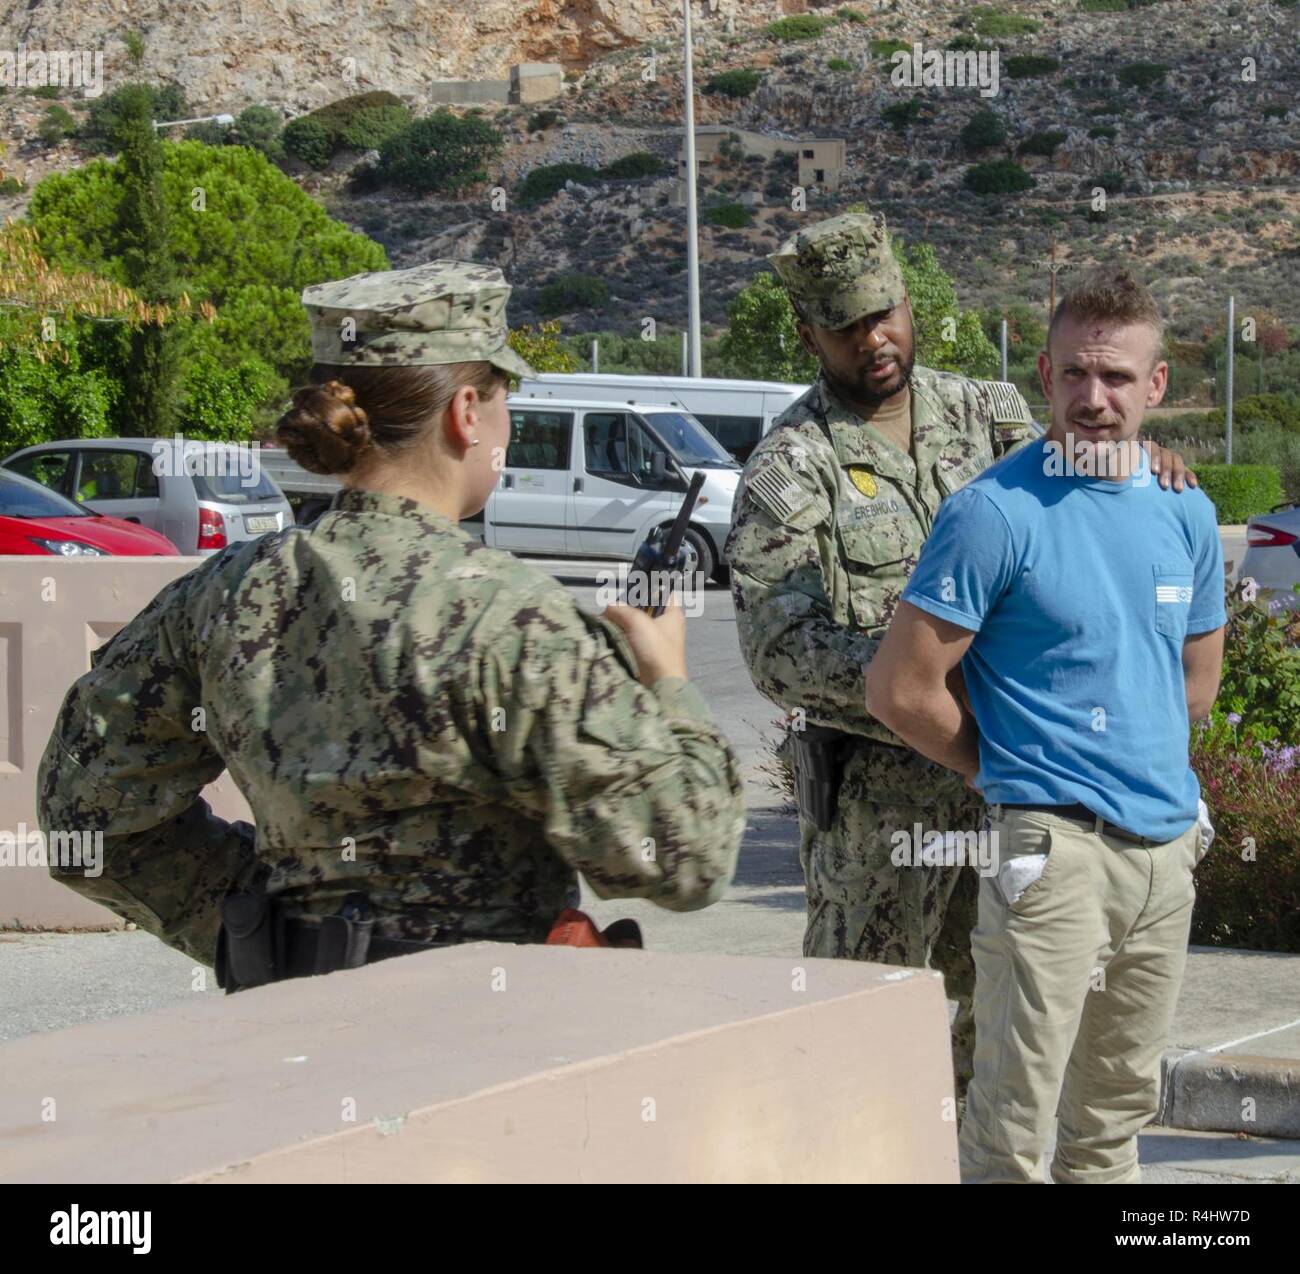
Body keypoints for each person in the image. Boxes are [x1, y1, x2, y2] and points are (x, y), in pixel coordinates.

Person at [37, 260, 746, 988]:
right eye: (507, 400)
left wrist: (261, 928)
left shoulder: (219, 593)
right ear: (467, 412)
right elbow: (687, 855)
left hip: (288, 1032)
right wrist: (669, 682)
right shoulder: (512, 614)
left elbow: (84, 817)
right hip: (488, 1048)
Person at [725, 211, 1196, 1095]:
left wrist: (1144, 457)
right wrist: (921, 681)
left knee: (1002, 1045)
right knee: (862, 1042)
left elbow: (1081, 492)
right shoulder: (793, 465)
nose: (875, 340)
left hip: (1012, 802)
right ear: (807, 334)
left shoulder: (989, 411)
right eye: (846, 325)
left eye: (885, 313)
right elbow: (781, 651)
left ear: (907, 303)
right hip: (880, 814)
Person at [866, 267, 1226, 1183]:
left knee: (1112, 1125)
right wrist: (1004, 777)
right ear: (1044, 374)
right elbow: (902, 688)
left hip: (1164, 856)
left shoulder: (1185, 509)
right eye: (1074, 375)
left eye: (1115, 378)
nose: (1092, 399)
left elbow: (1195, 685)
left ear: (1157, 387)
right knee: (1012, 1131)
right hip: (1052, 857)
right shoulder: (993, 514)